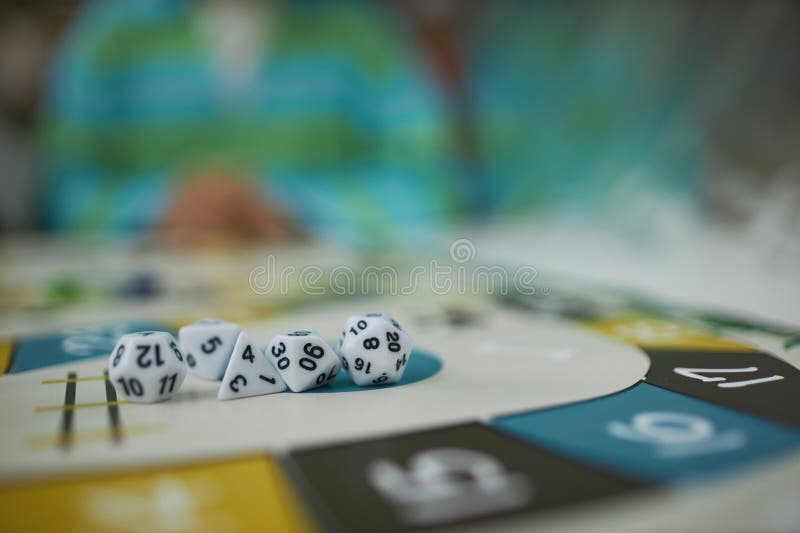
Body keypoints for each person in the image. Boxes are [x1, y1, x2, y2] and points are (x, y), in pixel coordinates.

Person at [41, 0, 453, 248]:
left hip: (319, 303)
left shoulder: (361, 30)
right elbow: (63, 195)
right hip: (138, 308)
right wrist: (159, 207)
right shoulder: (110, 33)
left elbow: (431, 186)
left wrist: (292, 208)